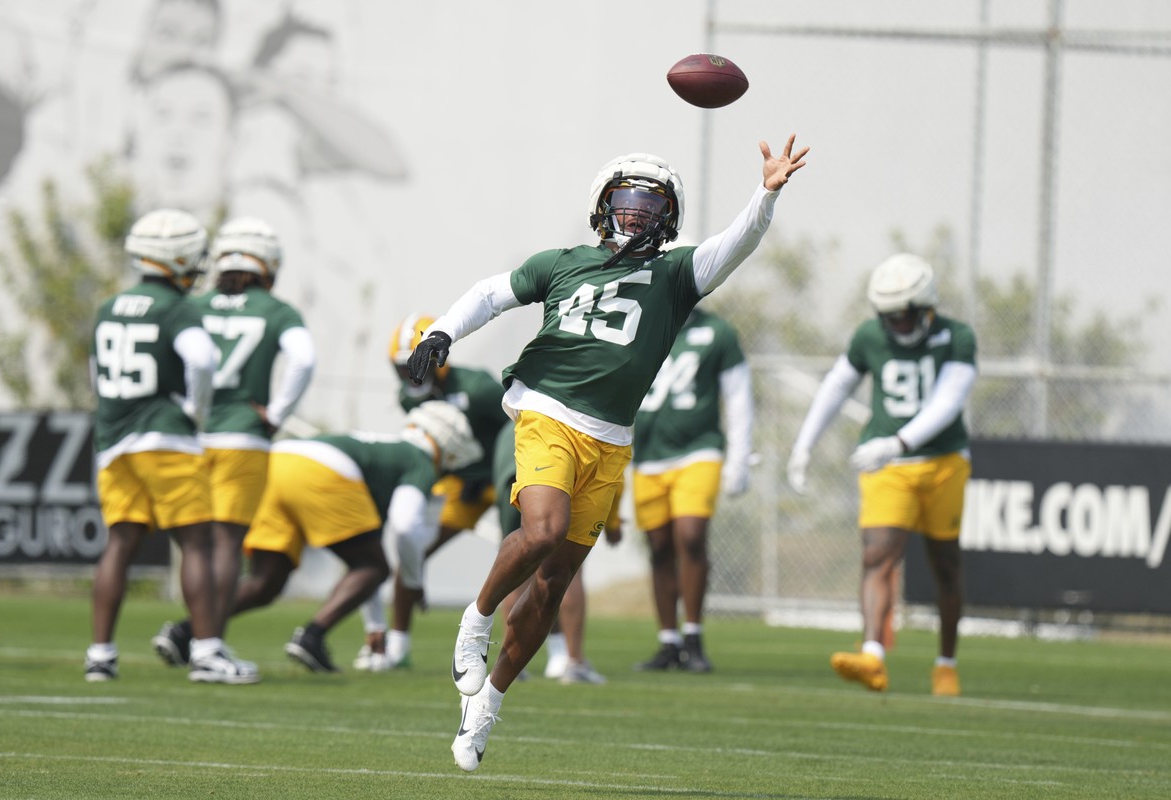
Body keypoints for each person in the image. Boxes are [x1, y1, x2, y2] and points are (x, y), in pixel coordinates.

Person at [405, 134, 808, 772]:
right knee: (542, 532)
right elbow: (490, 292)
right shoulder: (562, 262)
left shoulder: (678, 275)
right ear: (602, 205)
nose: (639, 213)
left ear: (670, 217)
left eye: (653, 204)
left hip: (611, 438)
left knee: (553, 586)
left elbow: (740, 243)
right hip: (547, 412)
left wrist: (765, 192)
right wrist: (442, 332)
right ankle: (475, 621)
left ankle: (486, 707)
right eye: (628, 200)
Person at [785, 253, 977, 697]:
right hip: (887, 468)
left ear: (927, 307)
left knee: (945, 565)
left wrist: (899, 442)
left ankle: (946, 663)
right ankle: (873, 656)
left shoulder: (957, 336)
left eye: (905, 315)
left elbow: (950, 401)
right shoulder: (870, 335)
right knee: (877, 557)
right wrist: (804, 444)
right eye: (889, 316)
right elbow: (836, 385)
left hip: (944, 461)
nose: (898, 325)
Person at [84, 207, 257, 684]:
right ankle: (206, 653)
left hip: (114, 438)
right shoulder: (175, 307)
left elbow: (96, 373)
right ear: (177, 258)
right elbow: (201, 358)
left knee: (120, 542)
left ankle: (100, 654)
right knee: (196, 541)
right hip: (163, 436)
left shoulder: (108, 306)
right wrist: (195, 410)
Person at [152, 216, 316, 667]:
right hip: (243, 436)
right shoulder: (276, 310)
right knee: (226, 546)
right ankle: (209, 646)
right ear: (269, 263)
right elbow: (304, 359)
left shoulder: (194, 306)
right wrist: (277, 414)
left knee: (194, 546)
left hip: (192, 435)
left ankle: (196, 641)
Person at [223, 400, 482, 673]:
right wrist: (413, 580)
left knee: (265, 581)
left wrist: (375, 625)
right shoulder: (419, 460)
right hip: (320, 467)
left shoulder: (385, 451)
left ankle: (190, 633)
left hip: (279, 459)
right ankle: (311, 636)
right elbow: (405, 526)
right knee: (372, 566)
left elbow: (370, 551)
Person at [352, 314, 509, 672]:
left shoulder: (478, 387)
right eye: (403, 367)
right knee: (412, 552)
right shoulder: (409, 400)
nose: (411, 374)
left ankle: (553, 652)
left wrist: (493, 475)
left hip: (500, 480)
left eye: (417, 363)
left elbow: (516, 430)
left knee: (526, 558)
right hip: (458, 485)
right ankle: (398, 645)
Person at [632, 306, 753, 673]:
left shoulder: (717, 331)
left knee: (692, 536)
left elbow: (737, 396)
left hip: (698, 449)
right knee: (659, 547)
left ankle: (694, 636)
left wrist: (739, 457)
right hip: (648, 453)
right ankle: (668, 641)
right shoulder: (640, 320)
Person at [493, 422, 619, 685]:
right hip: (554, 473)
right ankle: (574, 662)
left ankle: (510, 664)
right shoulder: (572, 417)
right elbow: (609, 471)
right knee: (567, 569)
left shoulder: (510, 425)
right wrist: (614, 522)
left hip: (512, 483)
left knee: (519, 568)